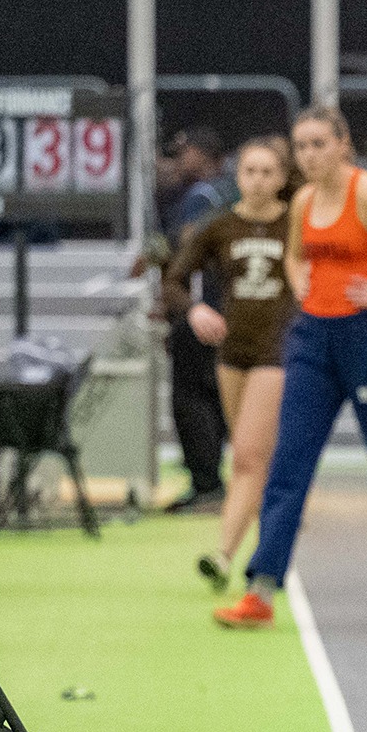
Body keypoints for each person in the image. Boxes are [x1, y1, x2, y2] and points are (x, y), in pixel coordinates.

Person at [213, 107, 367, 630]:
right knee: (288, 465)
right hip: (311, 341)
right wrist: (303, 284)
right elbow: (295, 256)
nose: (308, 156)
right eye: (300, 147)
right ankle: (260, 590)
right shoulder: (302, 199)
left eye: (319, 144)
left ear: (343, 145)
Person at [163, 136, 299, 589]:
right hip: (232, 353)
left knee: (246, 456)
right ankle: (271, 549)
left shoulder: (295, 225)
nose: (257, 181)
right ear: (236, 176)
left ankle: (224, 556)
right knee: (254, 457)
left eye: (267, 172)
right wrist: (195, 309)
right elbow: (175, 279)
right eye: (249, 171)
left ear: (282, 179)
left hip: (276, 352)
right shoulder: (219, 227)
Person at [162, 126, 234, 512]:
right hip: (233, 312)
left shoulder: (202, 197)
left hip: (207, 310)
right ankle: (218, 480)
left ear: (204, 155)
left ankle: (206, 483)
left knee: (193, 398)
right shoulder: (231, 194)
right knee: (219, 398)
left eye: (185, 151)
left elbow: (188, 247)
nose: (179, 158)